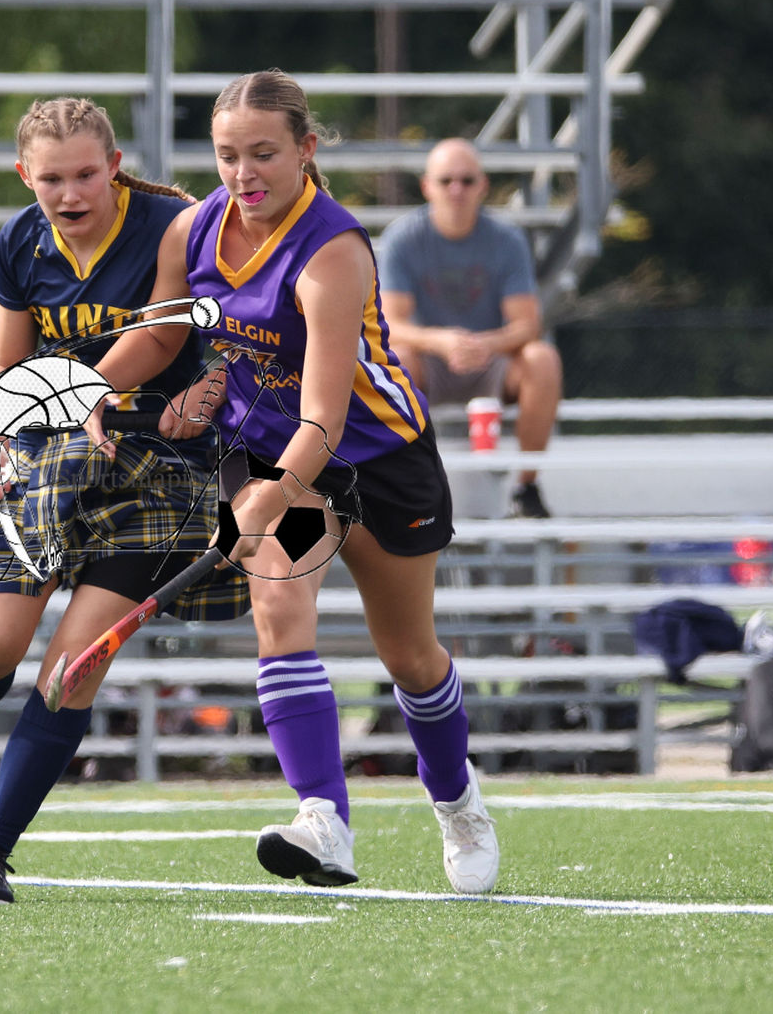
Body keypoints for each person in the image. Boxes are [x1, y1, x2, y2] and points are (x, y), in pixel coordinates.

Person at [85, 69, 499, 895]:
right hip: (276, 452)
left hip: (377, 461)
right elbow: (163, 340)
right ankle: (325, 820)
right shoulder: (194, 231)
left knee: (410, 656)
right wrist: (92, 384)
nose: (246, 174)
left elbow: (327, 422)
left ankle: (457, 802)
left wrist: (266, 499)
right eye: (229, 155)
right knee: (279, 602)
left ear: (307, 150)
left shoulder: (331, 250)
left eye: (265, 154)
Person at [0, 97, 248, 905]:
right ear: (25, 177)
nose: (70, 191)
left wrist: (82, 386)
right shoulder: (20, 240)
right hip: (50, 457)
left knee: (73, 670)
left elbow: (161, 336)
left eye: (86, 173)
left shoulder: (171, 225)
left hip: (157, 467)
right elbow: (7, 359)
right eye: (52, 179)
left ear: (114, 166)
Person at [375, 138, 563, 519]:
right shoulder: (402, 238)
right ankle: (405, 486)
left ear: (483, 186)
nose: (456, 189)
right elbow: (391, 324)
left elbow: (527, 324)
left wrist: (484, 345)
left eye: (466, 180)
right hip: (428, 363)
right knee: (397, 360)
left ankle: (526, 488)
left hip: (493, 363)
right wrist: (442, 341)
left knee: (542, 358)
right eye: (446, 181)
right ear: (427, 186)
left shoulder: (506, 240)